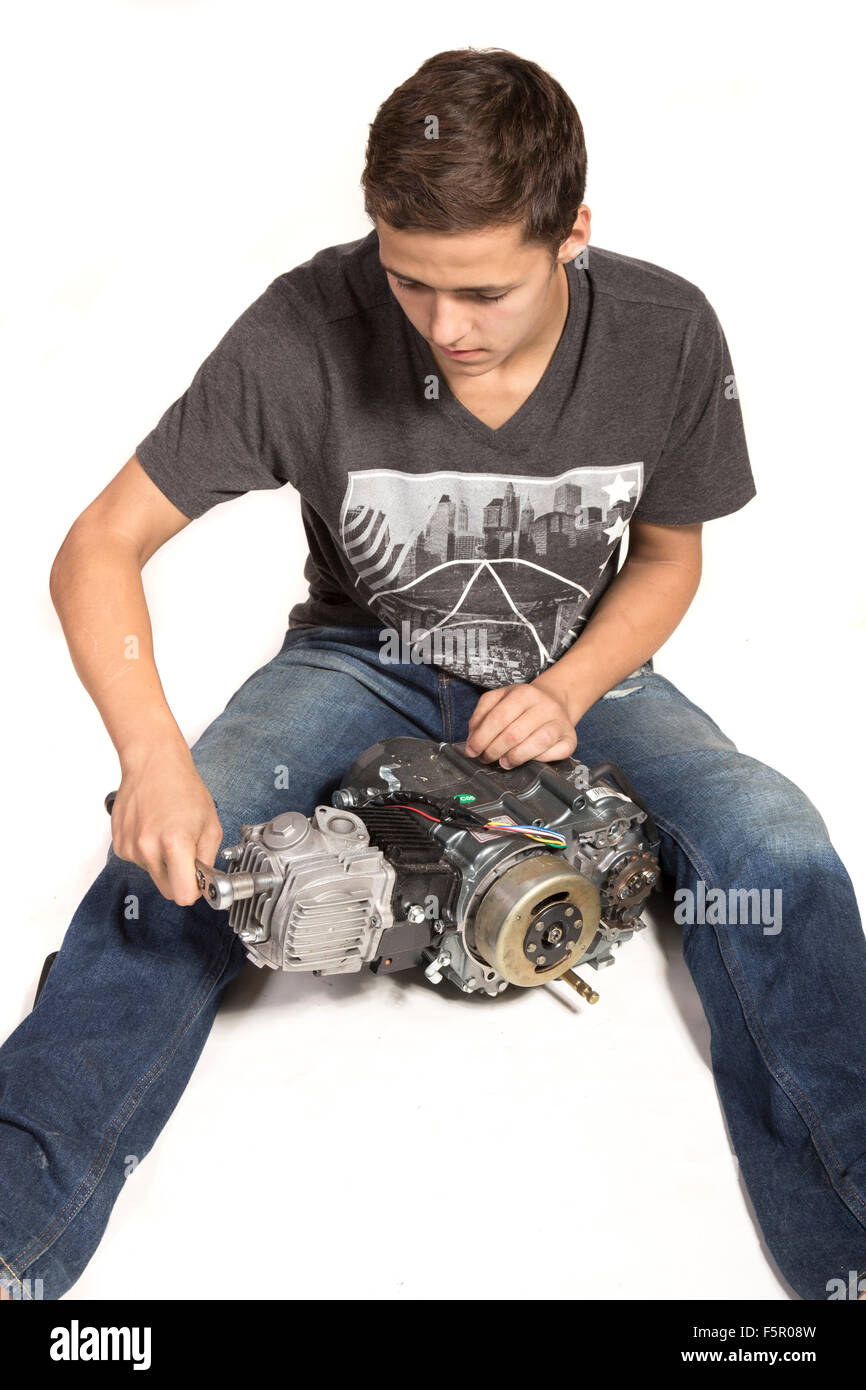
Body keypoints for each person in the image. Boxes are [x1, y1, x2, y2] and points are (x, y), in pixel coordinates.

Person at [1, 46, 864, 1303]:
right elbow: (99, 546)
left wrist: (569, 689)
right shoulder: (304, 323)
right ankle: (15, 1241)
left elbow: (668, 562)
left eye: (481, 292)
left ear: (572, 230)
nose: (443, 328)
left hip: (576, 669)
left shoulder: (666, 331)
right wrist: (153, 758)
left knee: (773, 840)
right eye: (410, 284)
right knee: (165, 869)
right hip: (360, 661)